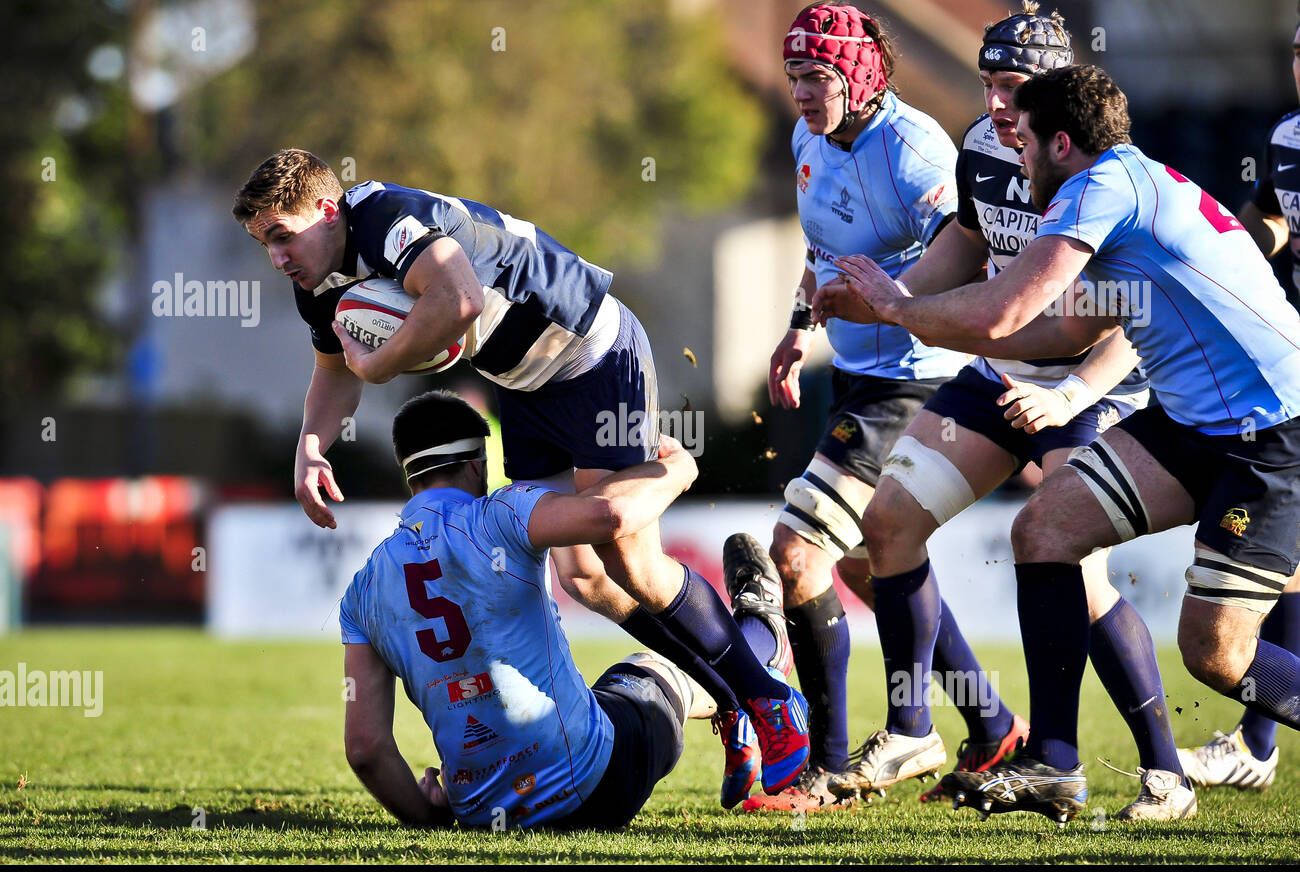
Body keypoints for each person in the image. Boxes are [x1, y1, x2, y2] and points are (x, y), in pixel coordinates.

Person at [233, 152, 809, 802]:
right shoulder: (319, 279)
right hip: (525, 384)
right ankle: (732, 695)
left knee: (631, 559)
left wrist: (382, 364)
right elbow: (334, 367)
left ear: (327, 210)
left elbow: (459, 298)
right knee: (583, 577)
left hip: (591, 352)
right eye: (263, 243)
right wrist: (311, 447)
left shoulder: (387, 218)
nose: (277, 255)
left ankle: (768, 699)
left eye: (282, 234)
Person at [815, 64, 1300, 824]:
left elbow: (1005, 313)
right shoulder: (1128, 184)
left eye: (1028, 143)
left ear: (1062, 143)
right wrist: (902, 309)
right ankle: (1055, 763)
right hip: (1193, 419)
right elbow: (1067, 329)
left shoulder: (1097, 188)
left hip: (1273, 428)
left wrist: (893, 304)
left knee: (1216, 653)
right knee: (1045, 528)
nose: (1019, 157)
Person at [341, 389, 777, 828]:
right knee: (649, 672)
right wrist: (681, 468)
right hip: (597, 785)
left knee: (609, 691)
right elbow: (611, 514)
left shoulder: (363, 590)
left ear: (410, 475)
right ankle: (761, 645)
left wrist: (425, 817)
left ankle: (737, 698)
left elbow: (366, 748)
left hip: (483, 815)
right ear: (477, 464)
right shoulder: (500, 515)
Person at [743, 1, 968, 812]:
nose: (800, 91)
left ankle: (828, 766)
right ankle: (990, 718)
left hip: (921, 373)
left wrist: (906, 303)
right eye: (794, 74)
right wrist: (797, 333)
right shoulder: (809, 138)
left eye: (817, 76)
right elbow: (821, 252)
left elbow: (972, 251)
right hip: (858, 370)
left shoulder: (915, 150)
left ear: (861, 75)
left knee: (798, 554)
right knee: (871, 565)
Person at [1176, 13, 1300, 792]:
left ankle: (1256, 744)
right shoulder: (1289, 137)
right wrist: (1213, 266)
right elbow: (1267, 223)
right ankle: (1257, 744)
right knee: (1285, 568)